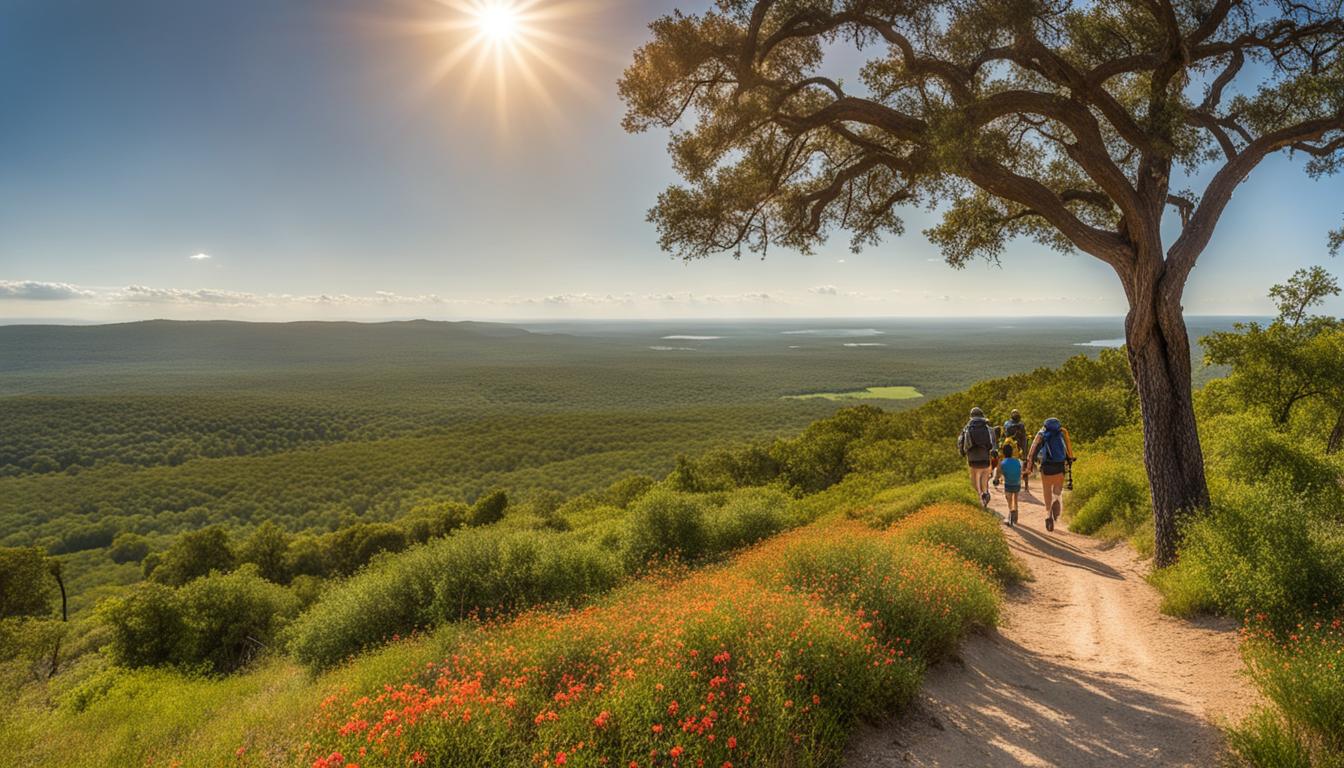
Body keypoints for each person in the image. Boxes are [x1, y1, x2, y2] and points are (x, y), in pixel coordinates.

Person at [1027, 417, 1075, 531]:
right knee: (1057, 488)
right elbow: (1068, 448)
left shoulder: (1041, 433)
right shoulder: (1062, 432)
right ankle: (1056, 498)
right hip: (1059, 465)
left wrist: (1029, 466)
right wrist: (1070, 461)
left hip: (1047, 466)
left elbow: (1032, 451)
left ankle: (1048, 514)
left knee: (1046, 489)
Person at [957, 407, 998, 508]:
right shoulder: (988, 428)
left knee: (975, 479)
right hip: (985, 457)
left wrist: (962, 452)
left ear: (971, 416)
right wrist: (993, 453)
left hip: (972, 458)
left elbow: (961, 441)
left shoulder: (967, 427)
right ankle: (985, 493)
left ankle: (980, 498)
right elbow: (993, 443)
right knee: (984, 477)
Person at [993, 442, 1023, 526]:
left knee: (1008, 498)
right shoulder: (1017, 461)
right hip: (1017, 483)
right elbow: (1020, 471)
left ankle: (1011, 512)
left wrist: (996, 479)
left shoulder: (1003, 463)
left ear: (1003, 453)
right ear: (1012, 452)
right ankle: (1015, 513)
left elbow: (999, 474)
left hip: (1009, 484)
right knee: (1015, 499)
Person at [1002, 409, 1031, 491]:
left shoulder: (1021, 424)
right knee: (1007, 463)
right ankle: (1007, 481)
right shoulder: (1007, 423)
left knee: (1024, 463)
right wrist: (1015, 426)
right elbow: (1007, 430)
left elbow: (1024, 437)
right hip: (1009, 446)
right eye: (1014, 413)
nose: (1016, 415)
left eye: (1017, 413)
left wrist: (1024, 449)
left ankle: (1026, 485)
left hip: (1019, 446)